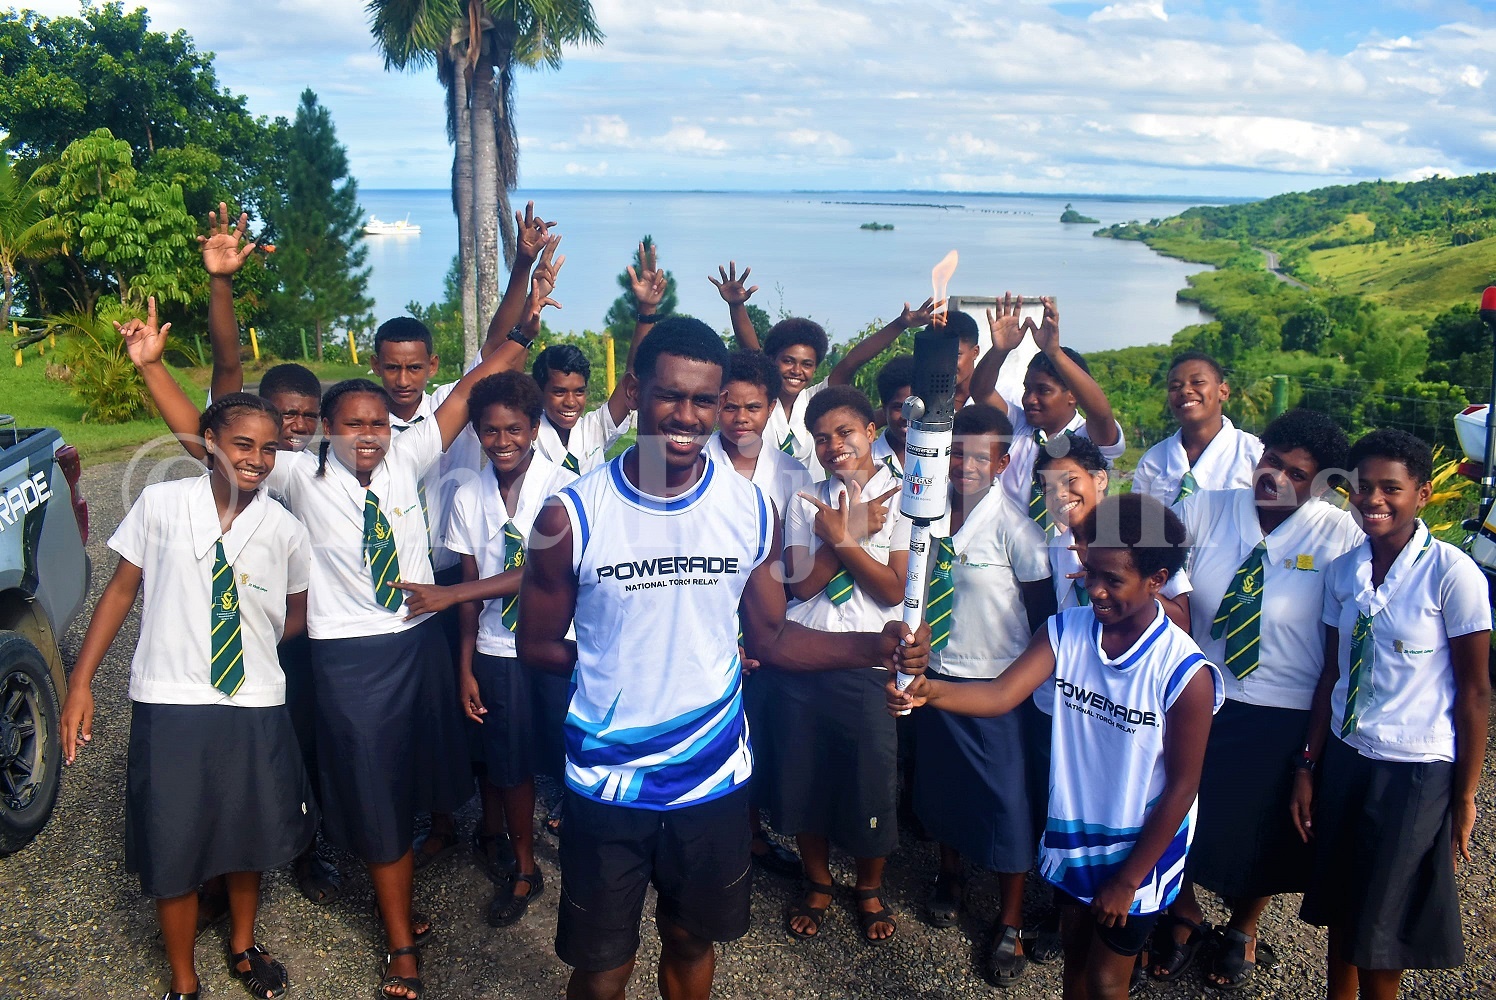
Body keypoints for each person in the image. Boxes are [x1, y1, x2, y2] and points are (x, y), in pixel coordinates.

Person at [125, 273, 551, 1000]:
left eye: (378, 423)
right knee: (374, 793)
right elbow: (204, 438)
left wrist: (526, 325)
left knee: (420, 780)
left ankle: (404, 896)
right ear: (325, 426)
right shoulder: (297, 474)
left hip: (418, 642)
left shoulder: (411, 456)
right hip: (352, 659)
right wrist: (152, 366)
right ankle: (398, 946)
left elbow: (475, 380)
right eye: (352, 423)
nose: (367, 436)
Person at [516, 319, 929, 1000]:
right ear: (636, 393)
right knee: (602, 964)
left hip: (711, 781)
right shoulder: (569, 517)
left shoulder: (748, 510)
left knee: (690, 938)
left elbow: (771, 640)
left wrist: (875, 646)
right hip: (607, 781)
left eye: (704, 400)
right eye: (669, 396)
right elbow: (535, 644)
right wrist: (614, 664)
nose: (687, 416)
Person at [891, 493, 1223, 1000]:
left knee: (1107, 979)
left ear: (1158, 580)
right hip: (1075, 834)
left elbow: (1183, 787)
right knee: (1074, 961)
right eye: (1089, 572)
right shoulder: (1066, 630)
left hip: (1140, 850)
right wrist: (929, 691)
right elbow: (1002, 693)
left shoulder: (1185, 673)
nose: (1095, 590)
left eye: (1113, 580)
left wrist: (1130, 879)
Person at [60, 389, 316, 1000]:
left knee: (247, 834)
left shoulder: (283, 528)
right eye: (241, 444)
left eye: (268, 448)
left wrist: (253, 645)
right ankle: (182, 977)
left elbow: (297, 612)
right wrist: (80, 680)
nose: (254, 458)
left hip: (252, 701)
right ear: (208, 444)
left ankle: (242, 945)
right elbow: (122, 592)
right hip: (171, 700)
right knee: (172, 839)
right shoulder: (162, 505)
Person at [1148, 409, 1360, 989]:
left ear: (1320, 484)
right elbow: (1162, 573)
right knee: (1181, 808)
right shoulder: (1209, 506)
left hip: (1284, 707)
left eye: (1297, 473)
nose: (1276, 478)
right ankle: (1184, 912)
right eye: (1271, 462)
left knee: (1265, 827)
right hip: (1204, 692)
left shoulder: (1338, 533)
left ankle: (1244, 926)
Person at [1293, 429, 1491, 1000]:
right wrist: (1309, 764)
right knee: (1342, 902)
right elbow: (1331, 675)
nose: (1372, 499)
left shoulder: (1453, 575)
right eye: (1362, 487)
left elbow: (1475, 692)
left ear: (1423, 494)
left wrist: (1465, 793)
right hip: (1348, 755)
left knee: (1383, 918)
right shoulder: (1343, 571)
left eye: (1391, 488)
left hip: (1415, 767)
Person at [196, 202, 337, 906]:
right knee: (228, 753)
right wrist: (221, 284)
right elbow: (227, 364)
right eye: (284, 418)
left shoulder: (322, 473)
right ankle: (222, 872)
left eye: (308, 419)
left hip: (298, 633)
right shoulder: (240, 463)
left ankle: (307, 851)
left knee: (304, 742)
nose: (296, 429)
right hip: (232, 633)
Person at [911, 404, 1055, 986]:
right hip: (935, 671)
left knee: (1005, 803)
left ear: (1002, 461)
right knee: (941, 786)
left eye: (978, 455)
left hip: (995, 683)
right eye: (955, 452)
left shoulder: (1017, 530)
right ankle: (950, 874)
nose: (964, 465)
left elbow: (1044, 619)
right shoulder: (927, 515)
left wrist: (1021, 683)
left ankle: (1011, 917)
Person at [431, 371, 577, 927]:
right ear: (476, 433)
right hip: (497, 648)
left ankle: (589, 853)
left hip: (564, 644)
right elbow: (470, 590)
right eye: (489, 431)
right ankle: (523, 866)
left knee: (576, 755)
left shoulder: (568, 486)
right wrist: (465, 666)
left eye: (514, 428)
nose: (503, 441)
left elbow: (544, 571)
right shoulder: (467, 495)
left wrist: (453, 592)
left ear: (536, 428)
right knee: (509, 763)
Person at [775, 385, 909, 945]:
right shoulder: (806, 499)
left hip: (870, 659)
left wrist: (847, 540)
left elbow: (891, 588)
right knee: (806, 775)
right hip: (808, 651)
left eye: (845, 433)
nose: (834, 446)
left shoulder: (905, 496)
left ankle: (870, 887)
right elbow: (800, 584)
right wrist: (845, 535)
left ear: (871, 431)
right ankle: (819, 879)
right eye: (822, 438)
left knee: (870, 779)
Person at [705, 349, 811, 878]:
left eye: (753, 407)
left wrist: (767, 630)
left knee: (762, 733)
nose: (740, 418)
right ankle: (728, 835)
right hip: (709, 625)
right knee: (714, 735)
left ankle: (755, 832)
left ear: (772, 408)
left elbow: (795, 566)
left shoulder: (792, 474)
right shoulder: (692, 464)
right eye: (729, 405)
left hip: (771, 625)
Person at [711, 259, 946, 477]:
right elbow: (752, 350)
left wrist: (901, 324)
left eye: (807, 364)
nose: (796, 370)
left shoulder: (816, 400)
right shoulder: (761, 403)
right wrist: (737, 307)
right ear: (771, 361)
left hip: (807, 509)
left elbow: (852, 361)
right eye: (788, 361)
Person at [972, 296, 1125, 529]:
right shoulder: (1018, 424)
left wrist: (1055, 353)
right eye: (1027, 389)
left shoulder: (1086, 438)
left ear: (1073, 395)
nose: (1030, 399)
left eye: (1043, 390)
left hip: (1070, 549)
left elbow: (1102, 414)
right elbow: (981, 392)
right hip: (1010, 545)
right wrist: (999, 351)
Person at [528, 240, 663, 476]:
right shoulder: (527, 436)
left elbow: (633, 370)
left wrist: (647, 311)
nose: (571, 402)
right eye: (559, 392)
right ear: (540, 391)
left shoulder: (594, 428)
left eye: (579, 391)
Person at [1131, 351, 1263, 504]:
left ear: (1223, 391)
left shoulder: (1255, 454)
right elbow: (1139, 521)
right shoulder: (1153, 460)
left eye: (1198, 382)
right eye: (1175, 387)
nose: (1185, 390)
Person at [871, 354, 915, 478]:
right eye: (898, 407)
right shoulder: (866, 461)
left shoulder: (944, 456)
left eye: (915, 407)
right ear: (885, 409)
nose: (907, 417)